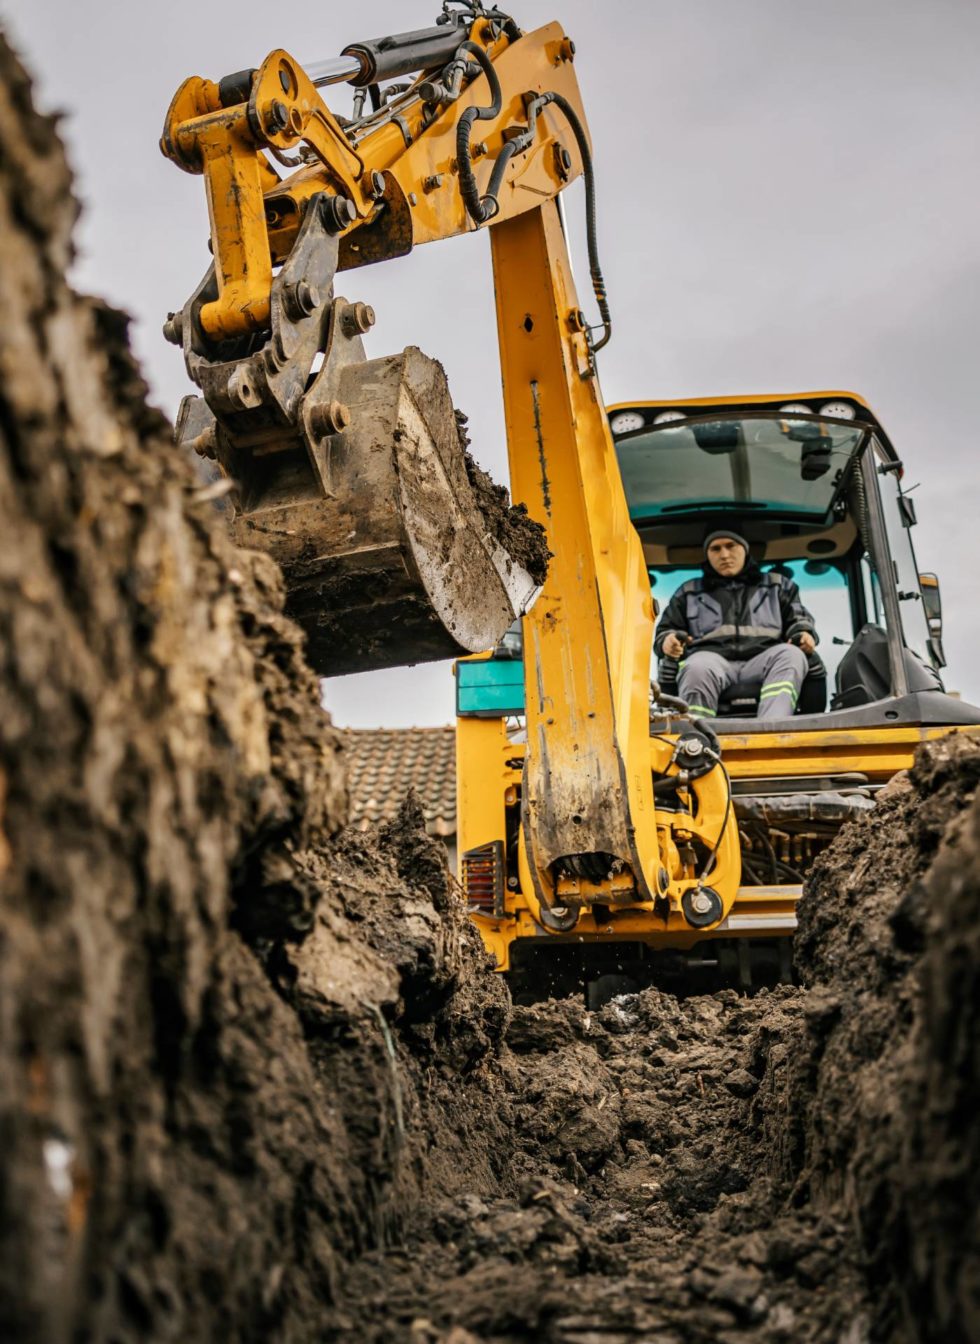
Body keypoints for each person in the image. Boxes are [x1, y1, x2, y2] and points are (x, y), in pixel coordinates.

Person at [654, 531, 818, 720]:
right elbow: (666, 630)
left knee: (791, 654)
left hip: (764, 660)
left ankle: (773, 728)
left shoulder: (779, 586)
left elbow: (799, 620)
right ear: (707, 554)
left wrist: (804, 634)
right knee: (696, 666)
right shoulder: (688, 592)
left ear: (745, 550)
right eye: (715, 548)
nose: (724, 555)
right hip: (712, 662)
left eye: (731, 546)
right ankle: (697, 736)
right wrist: (668, 641)